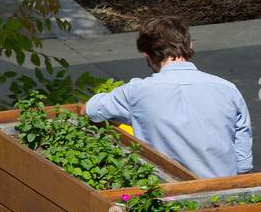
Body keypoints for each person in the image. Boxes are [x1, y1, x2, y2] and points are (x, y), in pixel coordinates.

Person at [84, 16, 252, 179]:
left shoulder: (136, 92)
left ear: (147, 55)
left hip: (165, 195)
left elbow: (89, 110)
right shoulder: (228, 90)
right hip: (224, 194)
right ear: (191, 45)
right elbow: (243, 164)